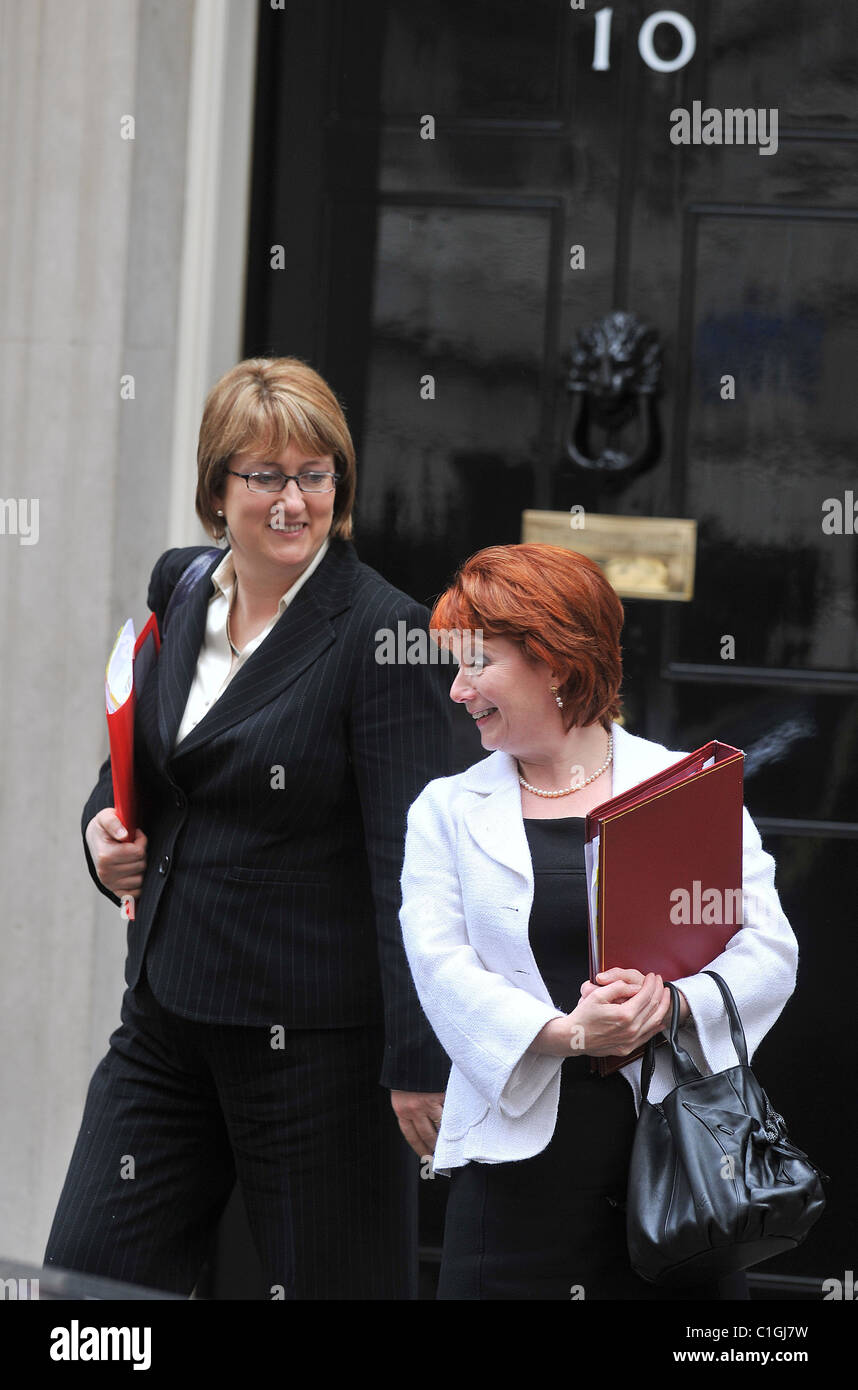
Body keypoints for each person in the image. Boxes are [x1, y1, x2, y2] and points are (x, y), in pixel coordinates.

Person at [44, 357, 453, 1299]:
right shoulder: (182, 588)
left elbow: (414, 868)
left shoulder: (385, 637)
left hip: (314, 1049)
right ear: (216, 487)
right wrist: (100, 829)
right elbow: (139, 761)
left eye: (314, 475)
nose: (293, 501)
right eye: (265, 476)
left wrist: (418, 1062)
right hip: (164, 1020)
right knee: (88, 1290)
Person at [399, 543, 798, 1301]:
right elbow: (439, 968)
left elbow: (769, 947)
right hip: (512, 1186)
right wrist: (567, 1035)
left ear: (552, 662)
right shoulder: (446, 811)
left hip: (681, 1176)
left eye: (476, 662)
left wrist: (676, 1003)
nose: (457, 689)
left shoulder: (686, 786)